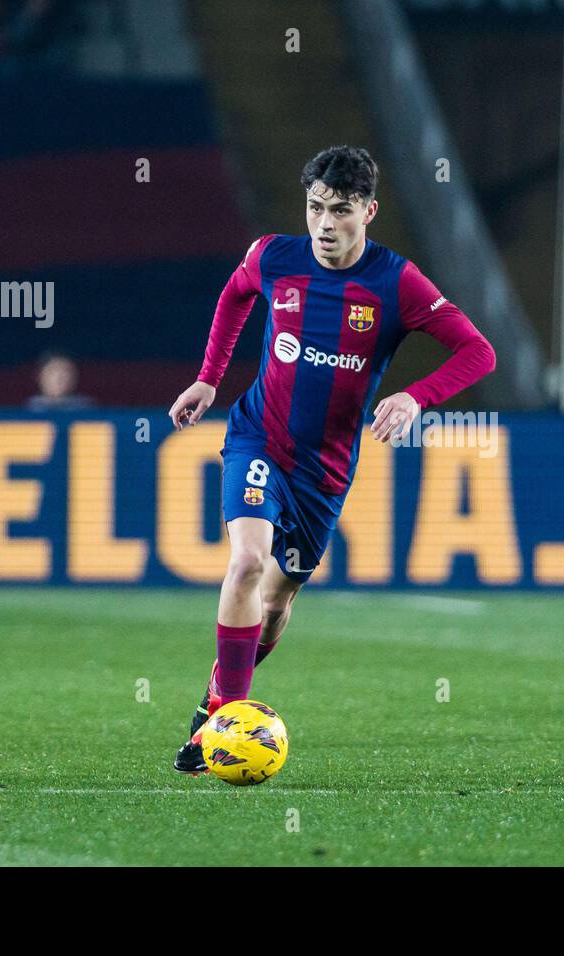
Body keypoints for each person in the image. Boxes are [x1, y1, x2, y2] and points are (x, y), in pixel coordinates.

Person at [167, 146, 496, 775]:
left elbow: (477, 352)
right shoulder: (273, 256)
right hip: (257, 438)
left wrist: (414, 395)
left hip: (325, 473)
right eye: (315, 207)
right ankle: (223, 724)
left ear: (368, 211)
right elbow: (235, 294)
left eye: (340, 210)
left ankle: (216, 691)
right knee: (245, 564)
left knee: (276, 601)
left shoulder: (396, 283)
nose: (324, 223)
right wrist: (210, 378)